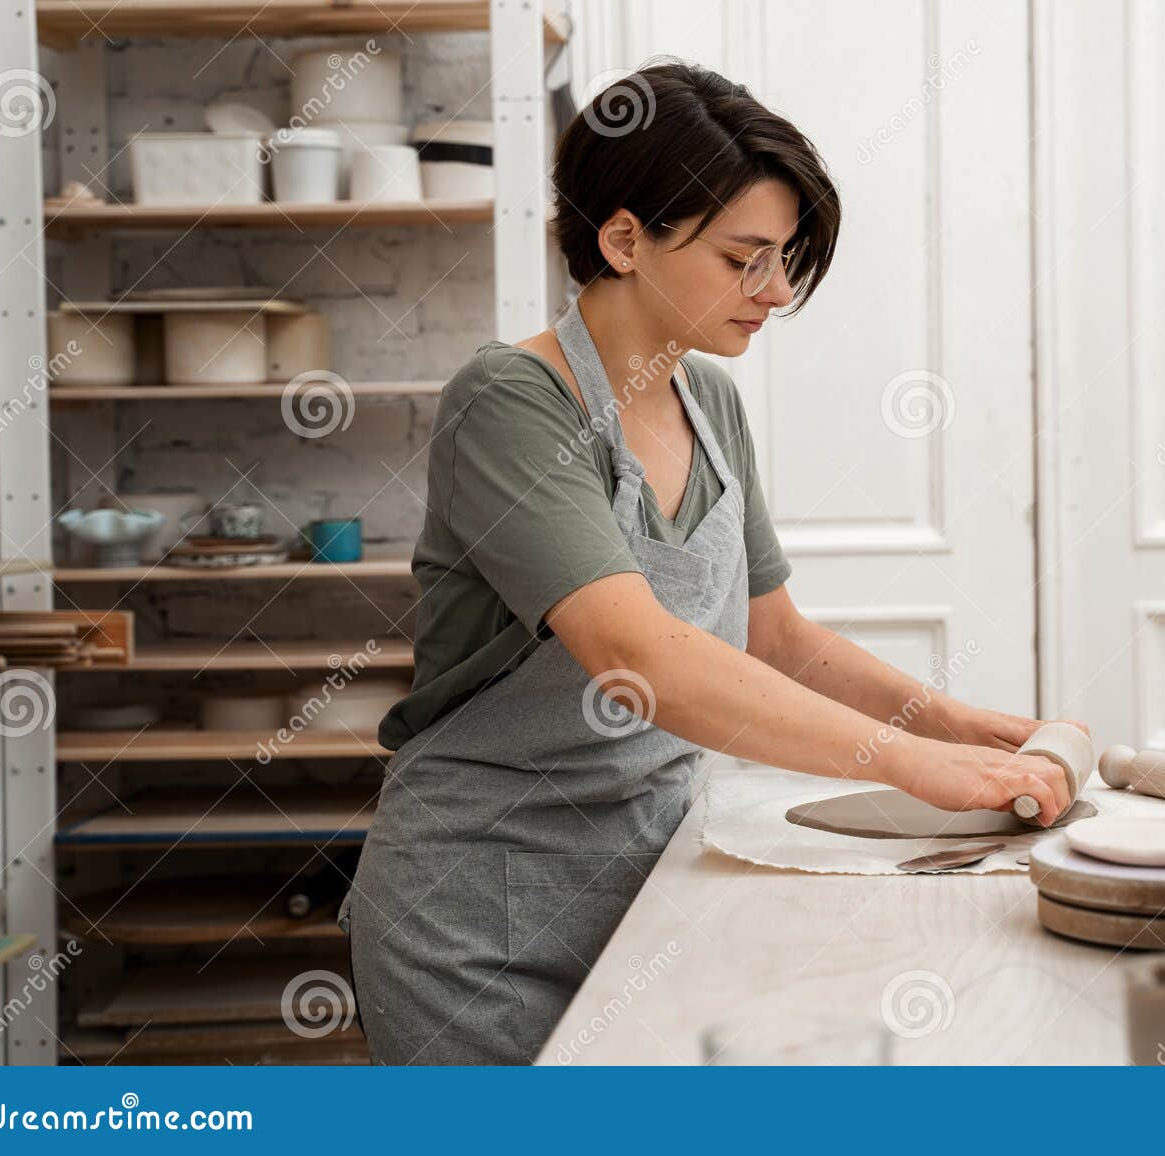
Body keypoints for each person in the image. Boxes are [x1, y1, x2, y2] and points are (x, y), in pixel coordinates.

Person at [346, 60, 1085, 1064]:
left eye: (784, 260)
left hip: (650, 878)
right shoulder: (511, 404)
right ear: (623, 240)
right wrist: (914, 764)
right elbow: (637, 656)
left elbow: (774, 636)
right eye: (745, 258)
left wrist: (965, 727)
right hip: (479, 916)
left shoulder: (711, 404)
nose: (775, 291)